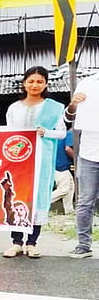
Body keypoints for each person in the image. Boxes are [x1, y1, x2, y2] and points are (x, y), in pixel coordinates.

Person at [1, 65, 66, 259]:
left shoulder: (54, 108)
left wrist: (46, 132)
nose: (35, 85)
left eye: (39, 81)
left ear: (46, 84)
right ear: (24, 84)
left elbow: (62, 133)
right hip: (18, 160)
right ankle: (16, 242)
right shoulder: (14, 108)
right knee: (17, 196)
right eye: (31, 81)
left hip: (42, 160)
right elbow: (9, 133)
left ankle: (32, 242)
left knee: (37, 198)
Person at [64, 70, 99, 258]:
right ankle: (83, 245)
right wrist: (73, 105)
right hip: (89, 152)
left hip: (89, 151)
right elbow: (68, 118)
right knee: (85, 201)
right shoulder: (87, 83)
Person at [51, 129, 74, 215]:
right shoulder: (70, 134)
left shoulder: (62, 133)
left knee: (71, 186)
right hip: (61, 166)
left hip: (57, 163)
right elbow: (68, 149)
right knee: (63, 190)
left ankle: (69, 210)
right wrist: (77, 160)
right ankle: (43, 203)